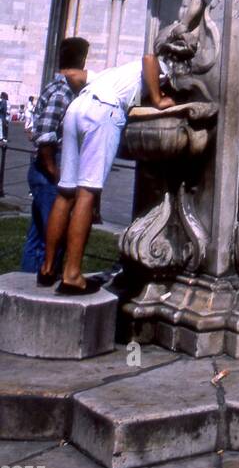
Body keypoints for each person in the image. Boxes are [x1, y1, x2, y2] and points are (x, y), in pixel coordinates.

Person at [40, 53, 175, 294]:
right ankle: (72, 274)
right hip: (104, 110)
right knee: (87, 191)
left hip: (77, 108)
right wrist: (158, 98)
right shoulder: (164, 68)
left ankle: (48, 268)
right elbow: (150, 57)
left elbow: (73, 74)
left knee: (65, 191)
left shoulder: (114, 72)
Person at [19, 39, 90, 274]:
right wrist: (54, 171)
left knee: (39, 235)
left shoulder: (56, 87)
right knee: (52, 237)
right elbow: (47, 136)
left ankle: (28, 286)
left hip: (47, 171)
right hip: (49, 172)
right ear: (80, 61)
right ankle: (39, 288)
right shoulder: (62, 92)